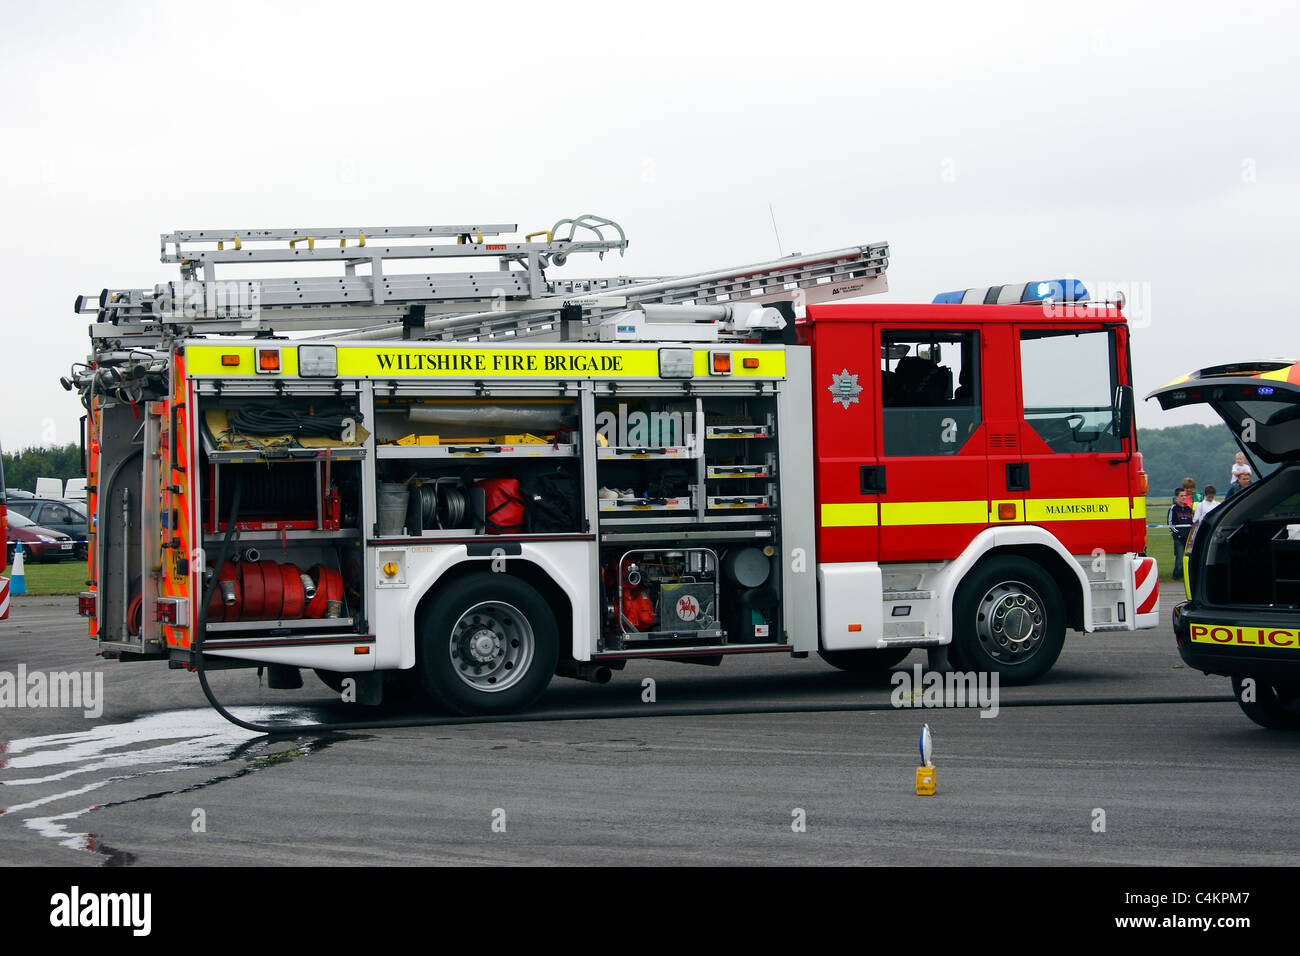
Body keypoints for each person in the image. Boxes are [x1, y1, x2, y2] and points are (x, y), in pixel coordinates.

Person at [1168, 489, 1194, 580]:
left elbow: (1191, 522)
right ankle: (1176, 576)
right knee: (1179, 557)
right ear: (1176, 497)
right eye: (1181, 496)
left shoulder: (1188, 509)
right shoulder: (1173, 508)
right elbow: (1170, 523)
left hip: (1188, 538)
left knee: (1189, 557)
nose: (1183, 497)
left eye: (1184, 496)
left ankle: (1185, 574)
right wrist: (1178, 534)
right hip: (1178, 538)